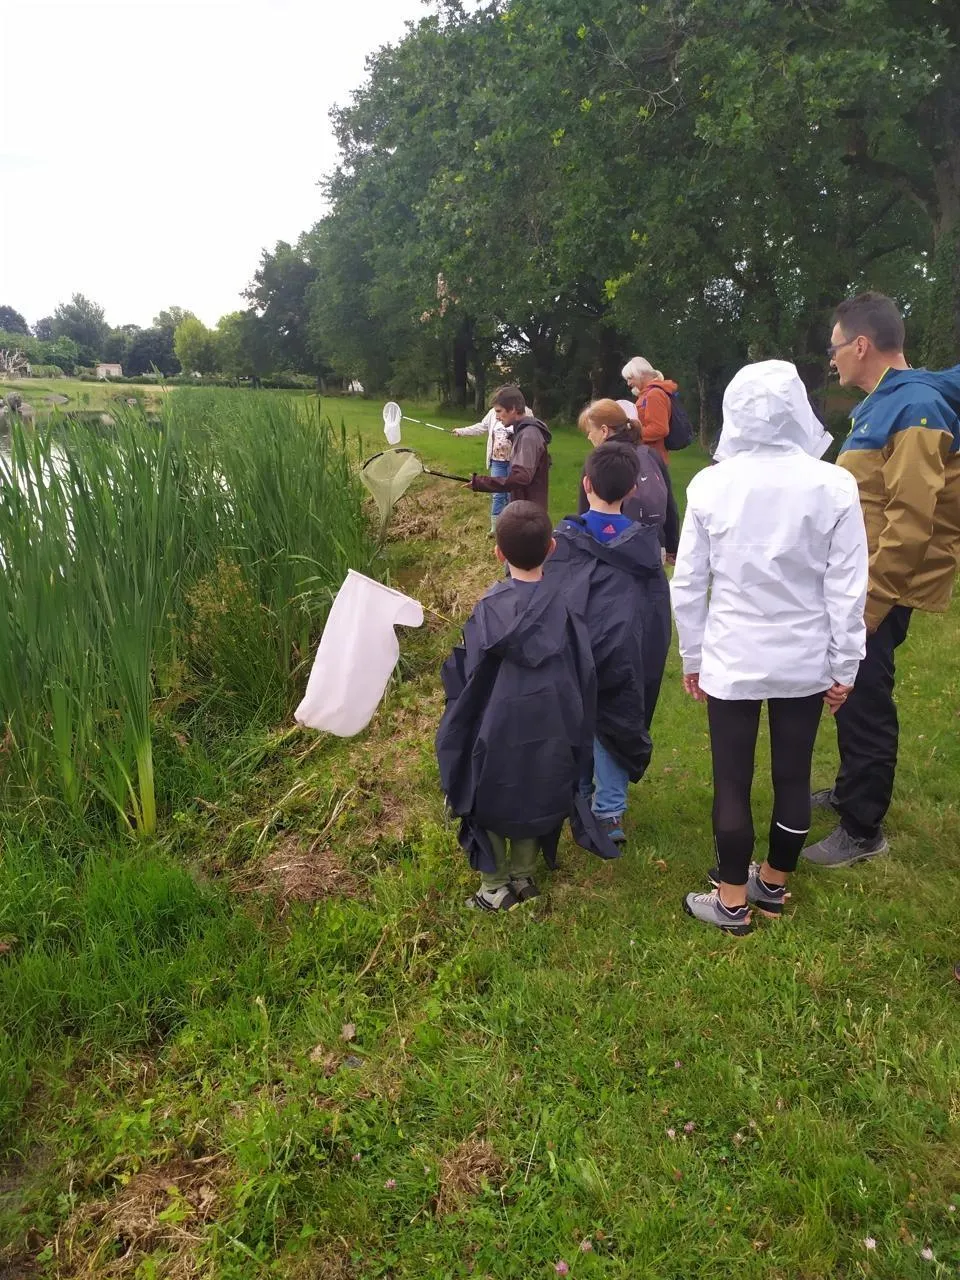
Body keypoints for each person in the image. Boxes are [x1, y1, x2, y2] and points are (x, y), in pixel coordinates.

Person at [671, 360, 868, 934]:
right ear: (797, 409)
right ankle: (772, 884)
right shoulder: (834, 484)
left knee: (732, 778)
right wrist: (845, 663)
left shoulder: (711, 484)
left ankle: (732, 900)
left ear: (735, 413)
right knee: (793, 774)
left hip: (733, 654)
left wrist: (693, 656)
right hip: (803, 655)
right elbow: (847, 584)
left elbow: (689, 582)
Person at [803, 292, 960, 868]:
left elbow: (912, 521)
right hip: (857, 580)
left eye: (836, 347)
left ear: (862, 345)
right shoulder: (882, 403)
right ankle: (850, 790)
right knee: (852, 691)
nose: (833, 358)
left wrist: (869, 608)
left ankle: (863, 829)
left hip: (877, 587)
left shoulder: (915, 406)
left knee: (865, 696)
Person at [436, 501, 620, 912]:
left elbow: (470, 676)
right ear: (552, 548)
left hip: (496, 726)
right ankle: (524, 876)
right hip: (551, 721)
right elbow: (582, 670)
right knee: (536, 786)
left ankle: (495, 887)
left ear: (498, 553)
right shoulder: (566, 607)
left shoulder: (488, 607)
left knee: (485, 792)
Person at [545, 442, 669, 844]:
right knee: (615, 725)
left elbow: (548, 600)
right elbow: (655, 616)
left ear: (586, 484)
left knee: (578, 723)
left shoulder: (562, 542)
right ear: (632, 489)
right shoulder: (645, 547)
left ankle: (580, 797)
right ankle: (609, 812)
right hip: (624, 657)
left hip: (574, 653)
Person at [576, 397, 680, 561]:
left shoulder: (599, 461)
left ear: (604, 431)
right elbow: (669, 504)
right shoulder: (650, 454)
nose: (589, 436)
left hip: (611, 548)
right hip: (653, 543)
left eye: (590, 430)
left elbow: (585, 509)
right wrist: (672, 546)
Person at [452, 390, 533, 534]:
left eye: (500, 411)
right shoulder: (493, 413)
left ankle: (512, 526)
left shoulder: (526, 414)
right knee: (497, 493)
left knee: (513, 493)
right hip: (497, 460)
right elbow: (481, 427)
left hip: (515, 461)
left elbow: (528, 435)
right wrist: (461, 431)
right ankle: (495, 527)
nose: (497, 415)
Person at [467, 386, 551, 512]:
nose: (497, 417)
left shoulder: (528, 436)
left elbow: (521, 477)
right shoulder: (523, 433)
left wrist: (482, 482)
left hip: (529, 514)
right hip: (525, 510)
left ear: (513, 409)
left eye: (499, 411)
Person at [622, 356, 679, 464]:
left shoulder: (654, 394)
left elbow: (660, 429)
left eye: (630, 378)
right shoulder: (647, 394)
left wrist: (631, 434)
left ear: (641, 375)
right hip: (648, 456)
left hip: (651, 458)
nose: (629, 383)